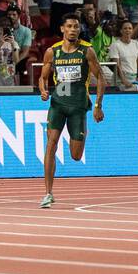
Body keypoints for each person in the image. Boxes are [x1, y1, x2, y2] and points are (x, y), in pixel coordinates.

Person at [37, 13, 106, 209]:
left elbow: (100, 77)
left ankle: (79, 132)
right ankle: (48, 193)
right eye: (69, 26)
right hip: (57, 104)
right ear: (62, 29)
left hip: (78, 107)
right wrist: (43, 90)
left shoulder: (87, 51)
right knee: (51, 144)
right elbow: (43, 77)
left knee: (76, 155)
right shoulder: (52, 52)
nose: (73, 30)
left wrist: (99, 105)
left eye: (76, 26)